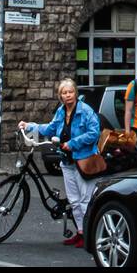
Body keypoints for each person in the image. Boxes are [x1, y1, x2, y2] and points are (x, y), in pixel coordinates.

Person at [20, 78, 101, 248]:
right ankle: (80, 233)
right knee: (74, 200)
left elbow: (94, 133)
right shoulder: (61, 112)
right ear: (60, 96)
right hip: (67, 161)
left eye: (70, 92)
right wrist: (29, 126)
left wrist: (72, 144)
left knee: (86, 200)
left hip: (84, 160)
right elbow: (50, 129)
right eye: (64, 93)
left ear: (75, 93)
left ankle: (89, 235)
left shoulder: (86, 111)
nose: (68, 95)